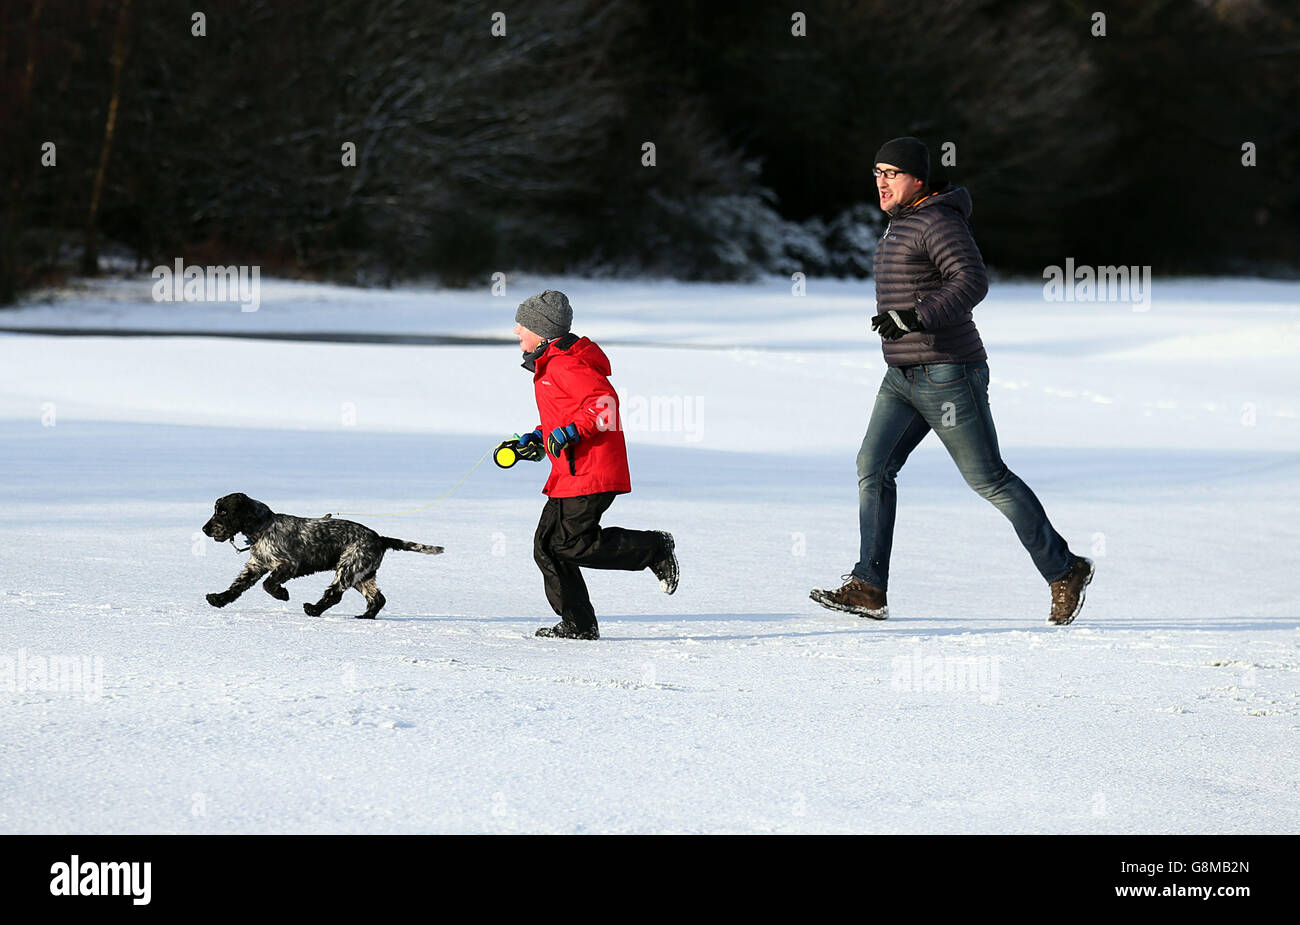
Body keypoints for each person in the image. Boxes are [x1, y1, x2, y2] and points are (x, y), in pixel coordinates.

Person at [810, 137, 1094, 625]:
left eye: (892, 173)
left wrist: (915, 316)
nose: (881, 182)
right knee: (873, 467)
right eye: (877, 172)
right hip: (902, 375)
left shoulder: (937, 220)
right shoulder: (903, 222)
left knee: (988, 478)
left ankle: (1064, 568)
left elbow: (971, 280)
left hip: (949, 371)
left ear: (918, 178)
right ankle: (868, 586)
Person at [508, 290, 678, 640]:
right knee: (548, 547)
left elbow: (605, 405)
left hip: (590, 472)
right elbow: (567, 414)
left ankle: (653, 548)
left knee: (570, 544)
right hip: (570, 474)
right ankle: (578, 624)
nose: (516, 331)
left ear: (542, 330)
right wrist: (537, 439)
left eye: (522, 325)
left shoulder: (564, 364)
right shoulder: (551, 363)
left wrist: (571, 433)